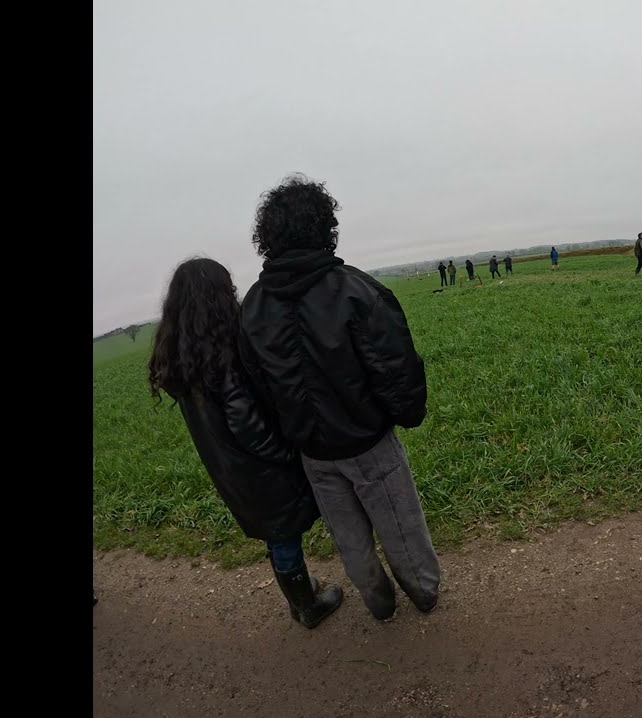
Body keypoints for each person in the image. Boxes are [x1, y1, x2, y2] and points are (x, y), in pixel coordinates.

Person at [240, 174, 441, 621]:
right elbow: (394, 365)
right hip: (369, 442)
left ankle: (379, 603)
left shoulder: (253, 306)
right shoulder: (355, 288)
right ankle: (424, 593)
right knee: (401, 529)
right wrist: (407, 414)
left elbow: (258, 387)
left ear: (267, 236)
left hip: (312, 453)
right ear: (324, 225)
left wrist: (292, 434)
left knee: (349, 538)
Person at [147, 257, 343, 629]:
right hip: (261, 471)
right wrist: (288, 454)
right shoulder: (221, 358)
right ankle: (307, 606)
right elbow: (249, 427)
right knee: (283, 537)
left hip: (233, 473)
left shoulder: (184, 360)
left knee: (276, 538)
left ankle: (298, 594)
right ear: (216, 298)